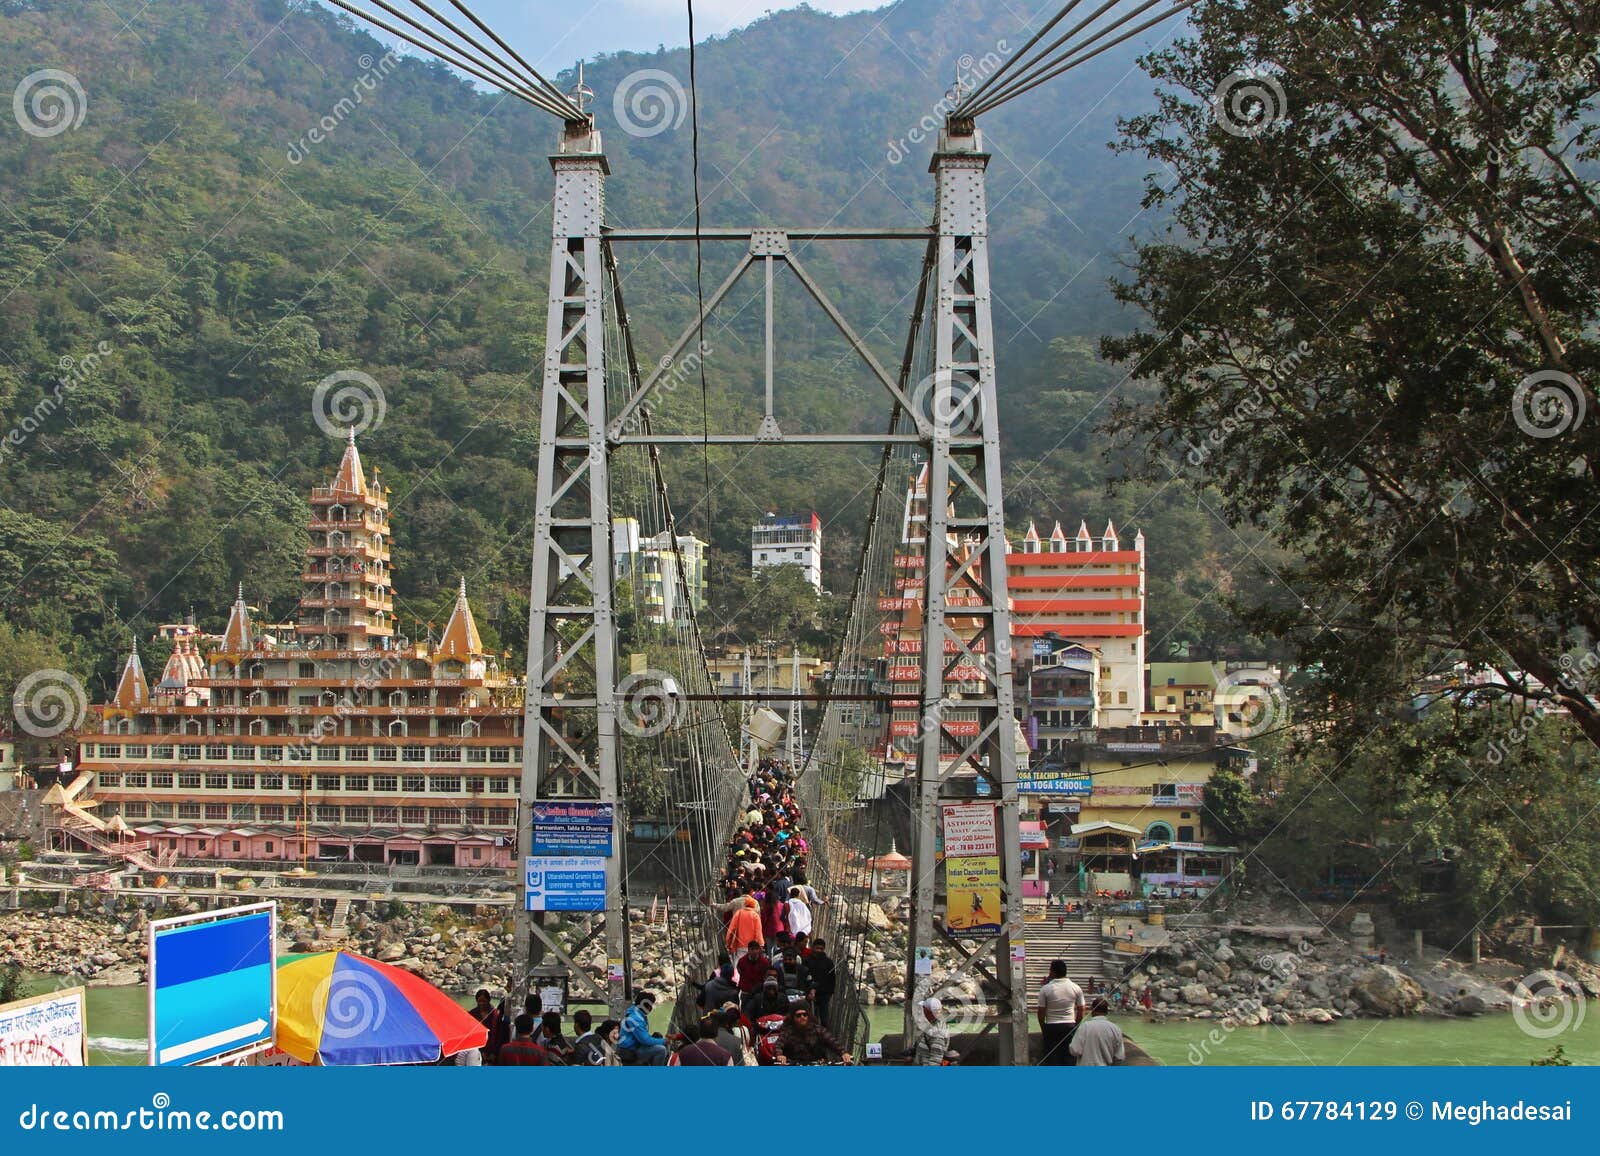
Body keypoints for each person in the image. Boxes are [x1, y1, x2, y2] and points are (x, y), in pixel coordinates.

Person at [1037, 959, 1086, 1066]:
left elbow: (1041, 1012)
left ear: (1052, 972)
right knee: (1069, 1057)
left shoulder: (1045, 989)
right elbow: (1081, 1009)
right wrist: (1075, 1026)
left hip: (1051, 1026)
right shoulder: (1076, 987)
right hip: (1069, 1025)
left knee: (1052, 1058)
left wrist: (1043, 1027)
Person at [773, 1007, 850, 1065]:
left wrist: (843, 1053)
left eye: (805, 1014)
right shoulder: (788, 1031)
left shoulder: (818, 1030)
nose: (802, 1017)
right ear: (793, 1018)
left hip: (818, 1063)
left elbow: (832, 1041)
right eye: (798, 1015)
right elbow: (778, 1044)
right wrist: (780, 1055)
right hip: (794, 1064)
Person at [617, 990, 669, 1066]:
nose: (651, 1008)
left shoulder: (634, 1012)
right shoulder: (635, 1019)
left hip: (634, 1046)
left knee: (657, 1036)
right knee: (661, 1050)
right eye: (651, 1005)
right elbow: (645, 1040)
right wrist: (664, 1041)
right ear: (647, 1006)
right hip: (629, 1052)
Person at [1070, 1000, 1126, 1066]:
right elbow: (1120, 1056)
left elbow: (1075, 1050)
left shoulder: (1085, 1027)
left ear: (1092, 1010)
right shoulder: (1115, 1029)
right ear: (1107, 1012)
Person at [911, 996, 950, 1066]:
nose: (921, 1010)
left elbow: (935, 1061)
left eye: (923, 1008)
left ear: (928, 1012)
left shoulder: (938, 1033)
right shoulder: (931, 1025)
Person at [468, 988, 504, 1066]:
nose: (481, 1003)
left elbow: (500, 1035)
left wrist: (494, 1052)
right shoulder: (472, 1014)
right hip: (476, 1050)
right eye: (479, 1001)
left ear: (489, 1000)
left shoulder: (495, 1015)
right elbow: (471, 1034)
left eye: (484, 1001)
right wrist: (480, 1051)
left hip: (493, 1050)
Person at [805, 938, 837, 1022]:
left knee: (824, 1019)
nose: (819, 950)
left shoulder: (828, 962)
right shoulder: (807, 961)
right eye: (817, 948)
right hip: (809, 994)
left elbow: (832, 979)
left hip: (824, 994)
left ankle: (823, 1033)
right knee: (810, 1018)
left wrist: (829, 994)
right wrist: (808, 991)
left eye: (821, 949)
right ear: (813, 947)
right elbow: (804, 977)